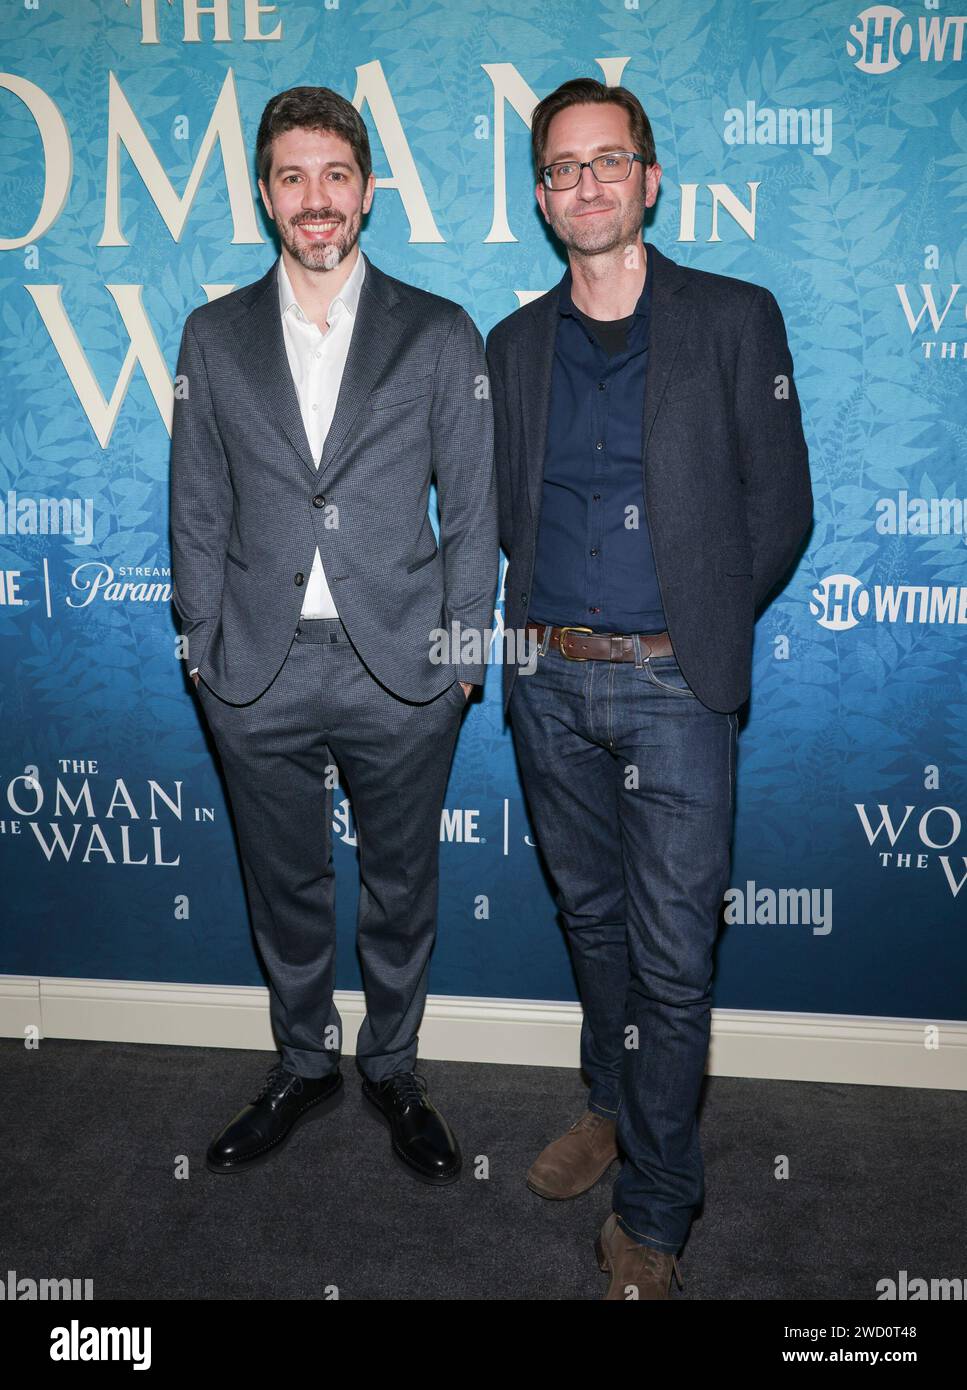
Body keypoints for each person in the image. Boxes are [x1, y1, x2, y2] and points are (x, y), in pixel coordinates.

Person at [486, 77, 812, 1297]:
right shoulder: (511, 345)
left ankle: (659, 1209)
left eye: (607, 161)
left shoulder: (734, 318)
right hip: (549, 687)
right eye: (563, 168)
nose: (586, 184)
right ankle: (612, 1108)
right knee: (594, 928)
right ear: (539, 194)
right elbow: (504, 511)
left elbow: (780, 507)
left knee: (676, 963)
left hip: (678, 687)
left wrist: (697, 631)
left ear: (651, 178)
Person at [169, 86, 498, 1184]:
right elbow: (197, 504)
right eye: (292, 176)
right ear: (264, 194)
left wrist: (461, 655)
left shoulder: (439, 330)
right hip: (254, 667)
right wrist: (203, 646)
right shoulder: (213, 335)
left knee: (402, 884)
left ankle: (392, 1064)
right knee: (286, 883)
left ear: (367, 190)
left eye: (337, 175)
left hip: (401, 666)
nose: (316, 199)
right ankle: (303, 1060)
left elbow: (475, 508)